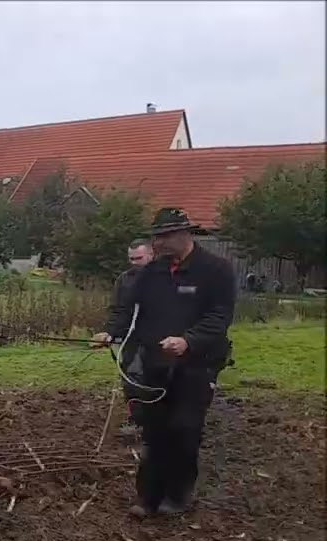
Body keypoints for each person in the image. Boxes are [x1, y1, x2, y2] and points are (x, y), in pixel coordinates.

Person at [91, 208, 235, 518]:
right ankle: (148, 498)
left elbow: (219, 317)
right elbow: (128, 311)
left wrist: (188, 341)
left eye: (164, 236)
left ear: (184, 234)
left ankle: (177, 494)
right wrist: (110, 334)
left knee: (184, 428)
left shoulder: (216, 270)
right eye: (156, 236)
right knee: (154, 432)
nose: (158, 243)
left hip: (197, 364)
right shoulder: (150, 273)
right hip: (154, 363)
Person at [112, 239, 155, 438]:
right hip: (130, 337)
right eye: (131, 259)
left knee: (156, 380)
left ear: (151, 255)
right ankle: (137, 421)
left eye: (139, 258)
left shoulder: (166, 277)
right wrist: (109, 332)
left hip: (159, 338)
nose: (134, 263)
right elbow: (118, 310)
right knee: (131, 378)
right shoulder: (124, 279)